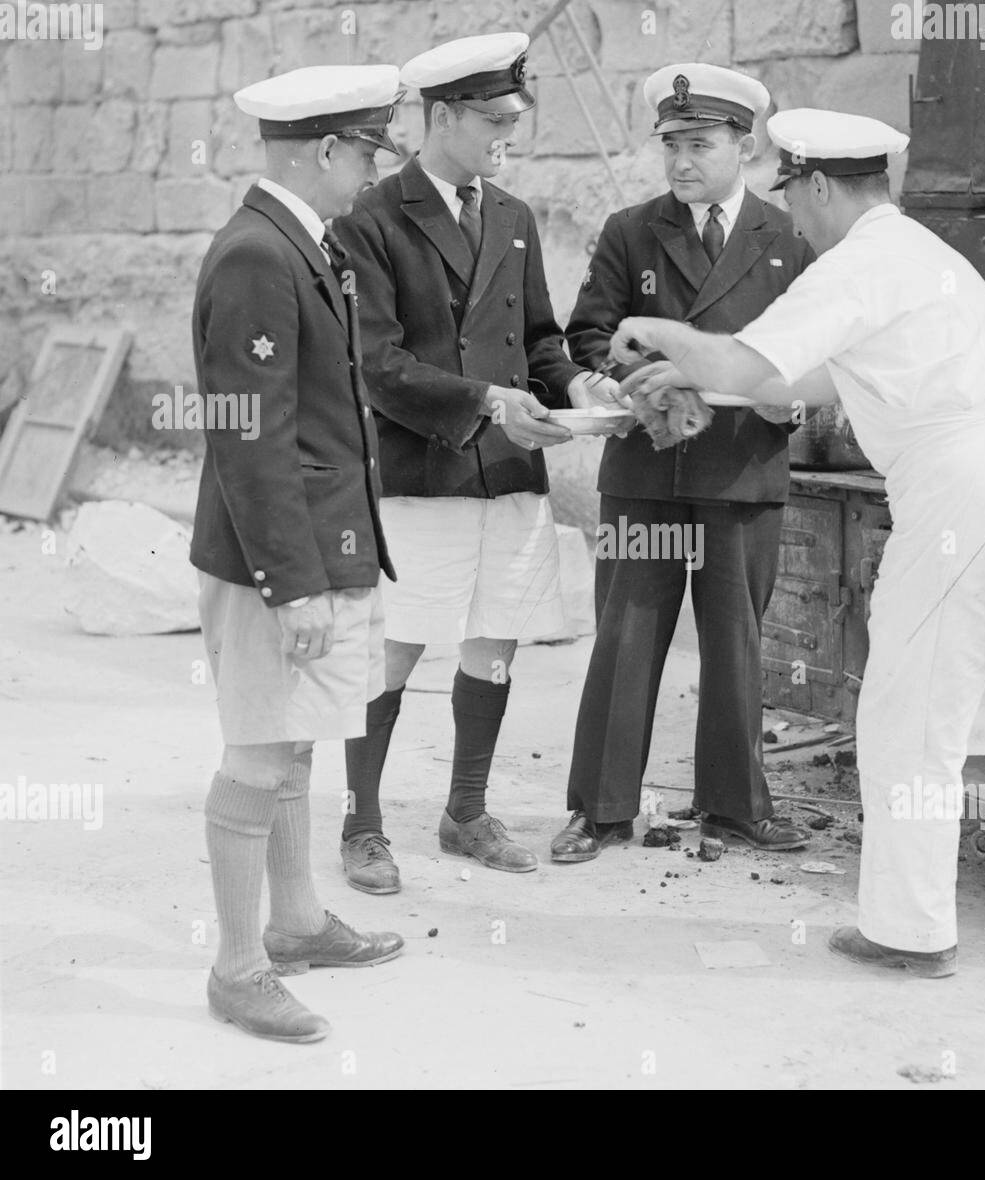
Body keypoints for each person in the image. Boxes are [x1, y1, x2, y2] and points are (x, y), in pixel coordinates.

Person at [605, 108, 985, 977]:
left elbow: (748, 365)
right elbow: (807, 378)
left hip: (968, 495)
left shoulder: (856, 263)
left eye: (797, 195)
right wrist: (697, 371)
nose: (797, 217)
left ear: (820, 185)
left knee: (907, 717)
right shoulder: (927, 255)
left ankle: (909, 931)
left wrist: (662, 336)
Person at [333, 32, 616, 887]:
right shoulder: (372, 218)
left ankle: (465, 810)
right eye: (494, 120)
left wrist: (586, 391)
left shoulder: (514, 215)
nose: (508, 136)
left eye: (515, 120)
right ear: (443, 116)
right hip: (429, 474)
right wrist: (490, 403)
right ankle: (363, 826)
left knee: (494, 643)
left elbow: (538, 341)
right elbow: (377, 365)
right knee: (401, 646)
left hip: (509, 474)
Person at [550, 63, 817, 863]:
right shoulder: (632, 230)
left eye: (699, 143)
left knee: (737, 642)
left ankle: (736, 806)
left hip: (742, 471)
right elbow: (587, 334)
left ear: (745, 143)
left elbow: (812, 352)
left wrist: (791, 403)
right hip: (648, 474)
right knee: (626, 636)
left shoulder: (787, 239)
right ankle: (598, 811)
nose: (680, 162)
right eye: (669, 145)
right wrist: (644, 387)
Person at [190, 64, 406, 1042]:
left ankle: (297, 919)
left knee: (295, 736)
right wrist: (294, 583)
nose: (371, 172)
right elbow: (250, 437)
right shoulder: (255, 256)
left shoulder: (295, 243)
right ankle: (238, 968)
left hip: (319, 544)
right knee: (258, 746)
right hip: (272, 558)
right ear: (323, 149)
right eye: (366, 151)